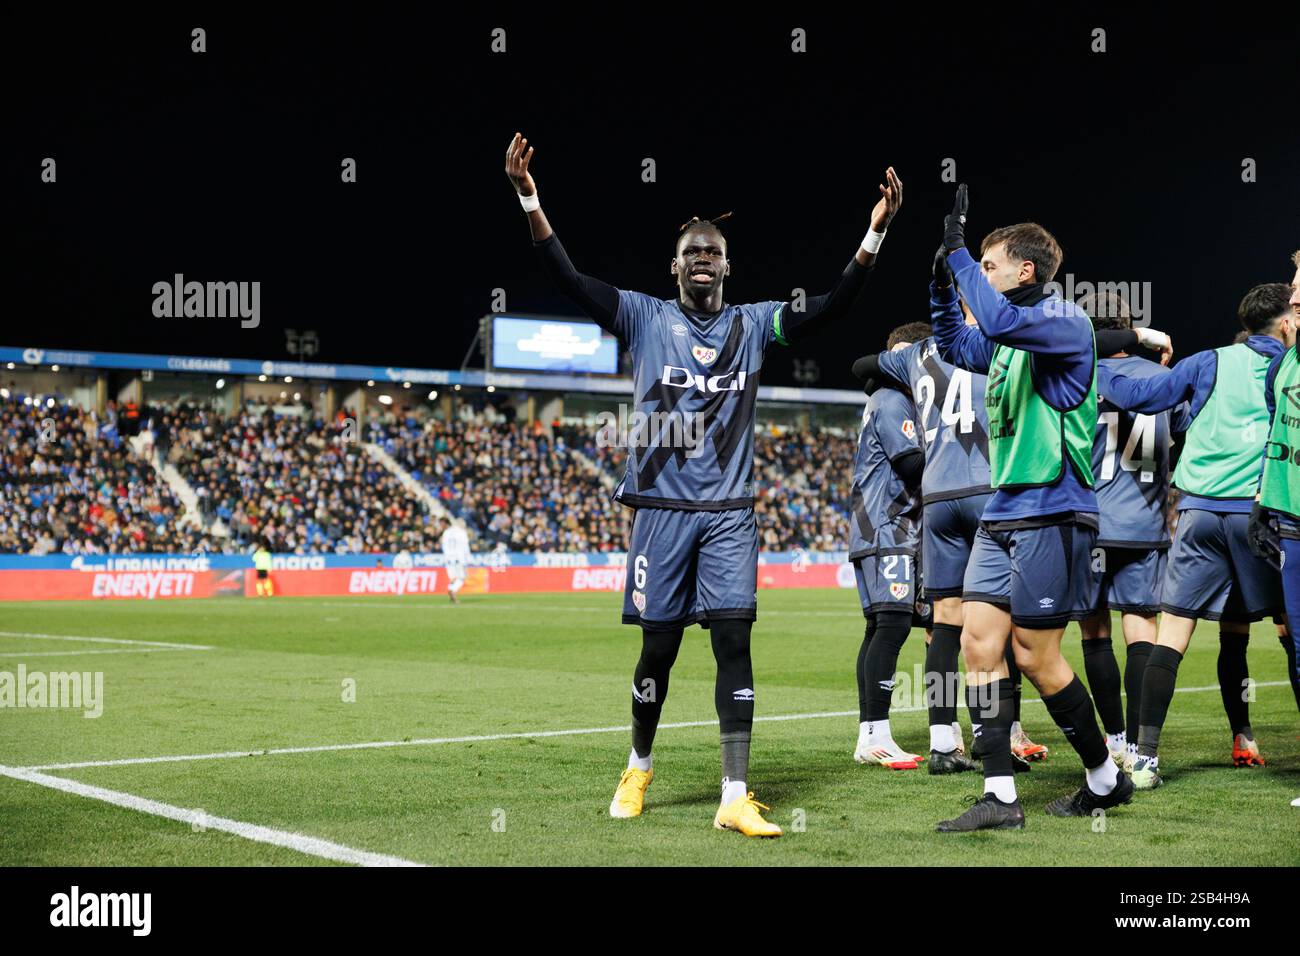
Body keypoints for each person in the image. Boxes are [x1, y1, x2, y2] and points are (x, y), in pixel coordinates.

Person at [506, 131, 901, 836]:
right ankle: (639, 763)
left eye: (711, 253)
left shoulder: (754, 324)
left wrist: (871, 236)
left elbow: (832, 308)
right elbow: (567, 278)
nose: (701, 260)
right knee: (658, 648)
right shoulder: (641, 315)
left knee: (733, 643)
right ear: (674, 265)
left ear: (727, 266)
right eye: (691, 252)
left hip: (728, 512)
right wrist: (528, 195)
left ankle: (734, 793)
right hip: (660, 511)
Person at [929, 185, 1158, 831]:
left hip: (1055, 510)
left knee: (1035, 656)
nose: (984, 271)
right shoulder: (1005, 339)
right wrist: (943, 278)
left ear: (1024, 270)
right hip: (1003, 511)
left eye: (990, 262)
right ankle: (999, 795)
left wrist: (955, 252)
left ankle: (1104, 776)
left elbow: (995, 322)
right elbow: (954, 342)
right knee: (979, 645)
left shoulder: (1062, 322)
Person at [1100, 283, 1292, 789]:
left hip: (1199, 515)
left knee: (1174, 635)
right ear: (1286, 323)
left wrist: (1089, 362)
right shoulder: (1291, 368)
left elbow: (1142, 395)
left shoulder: (1208, 361)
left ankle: (1146, 758)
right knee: (1287, 634)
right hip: (1262, 518)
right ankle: (1244, 738)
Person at [1076, 290, 1185, 773]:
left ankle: (1114, 739)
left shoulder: (1077, 376)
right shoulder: (1162, 377)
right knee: (1141, 629)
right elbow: (1182, 432)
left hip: (1091, 521)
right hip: (1144, 522)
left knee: (1094, 631)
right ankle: (1143, 749)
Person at [848, 323, 929, 770]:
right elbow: (911, 462)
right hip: (888, 527)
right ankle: (876, 734)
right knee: (893, 627)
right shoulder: (894, 399)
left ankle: (869, 734)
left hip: (875, 526)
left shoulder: (883, 397)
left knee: (879, 628)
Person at [1246, 250, 1300, 807]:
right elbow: (1276, 437)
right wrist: (1264, 500)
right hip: (1291, 525)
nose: (1296, 297)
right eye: (1294, 287)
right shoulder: (1282, 364)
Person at [440, 519, 470, 605]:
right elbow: (465, 546)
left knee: (453, 578)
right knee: (462, 577)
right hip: (459, 557)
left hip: (448, 558)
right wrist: (467, 558)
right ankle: (453, 590)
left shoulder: (446, 532)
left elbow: (444, 546)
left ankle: (451, 588)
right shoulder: (462, 532)